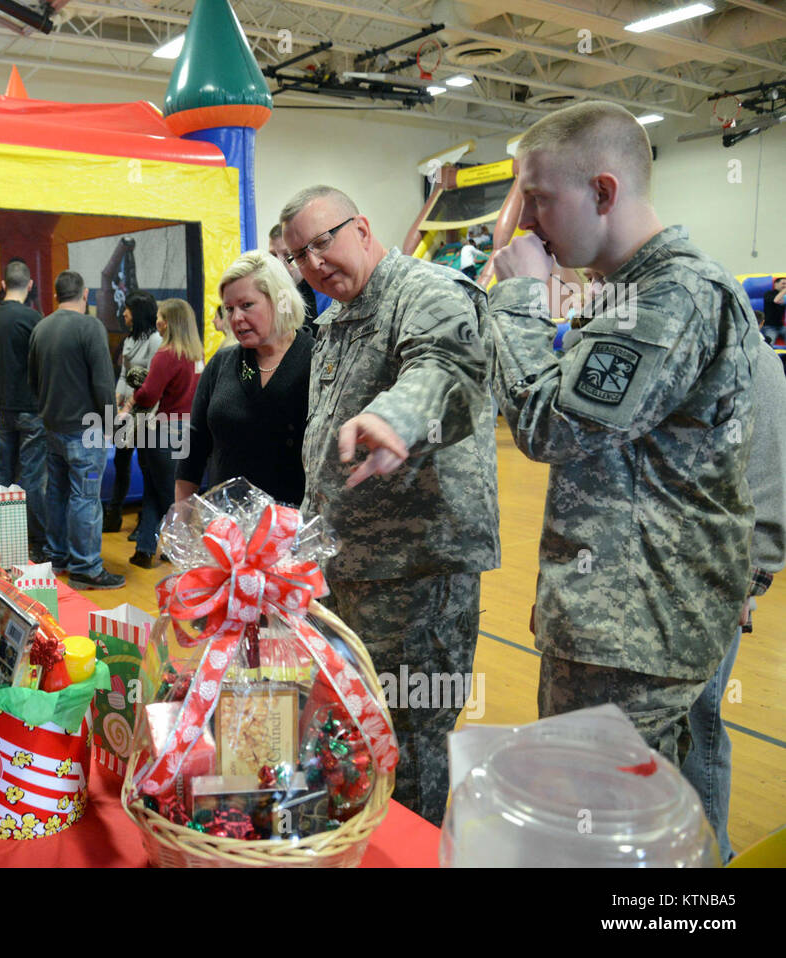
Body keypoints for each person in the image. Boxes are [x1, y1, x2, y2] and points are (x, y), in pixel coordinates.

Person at [487, 101, 758, 770]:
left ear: (603, 192)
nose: (525, 223)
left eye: (540, 200)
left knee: (595, 821)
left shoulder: (671, 296)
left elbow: (552, 426)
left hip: (636, 635)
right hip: (627, 623)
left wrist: (523, 298)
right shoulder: (635, 292)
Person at [280, 185, 499, 826]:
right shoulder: (336, 319)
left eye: (324, 241)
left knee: (411, 747)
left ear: (363, 226)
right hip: (346, 570)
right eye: (299, 255)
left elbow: (444, 368)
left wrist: (394, 417)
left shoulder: (427, 292)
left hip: (416, 574)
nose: (314, 263)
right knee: (354, 733)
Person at [681, 333, 786, 863]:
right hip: (652, 582)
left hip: (712, 580)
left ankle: (710, 860)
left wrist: (747, 576)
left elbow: (767, 477)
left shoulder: (746, 350)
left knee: (698, 729)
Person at [175, 251, 312, 508]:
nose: (236, 318)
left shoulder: (315, 361)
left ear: (279, 300)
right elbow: (194, 447)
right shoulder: (223, 364)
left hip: (292, 534)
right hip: (226, 532)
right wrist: (181, 520)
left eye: (247, 305)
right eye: (229, 309)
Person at [27, 270, 124, 589]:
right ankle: (87, 567)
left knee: (56, 492)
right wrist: (110, 424)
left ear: (57, 295)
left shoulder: (41, 328)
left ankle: (58, 556)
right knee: (85, 496)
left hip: (52, 426)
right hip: (86, 429)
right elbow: (102, 381)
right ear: (85, 295)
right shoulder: (90, 326)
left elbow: (33, 380)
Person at [129, 298, 201, 567]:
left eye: (160, 317)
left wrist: (136, 389)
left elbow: (148, 396)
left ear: (169, 322)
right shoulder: (196, 354)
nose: (157, 321)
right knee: (159, 493)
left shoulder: (165, 354)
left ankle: (177, 550)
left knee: (165, 497)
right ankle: (146, 549)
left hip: (162, 433)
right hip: (188, 431)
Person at [0, 259, 47, 559]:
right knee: (34, 476)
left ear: (3, 284)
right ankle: (36, 542)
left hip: (4, 405)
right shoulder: (32, 319)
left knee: (5, 472)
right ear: (30, 286)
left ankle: (8, 539)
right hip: (32, 407)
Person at [103, 290, 161, 535]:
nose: (123, 313)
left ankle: (146, 520)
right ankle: (114, 514)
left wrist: (129, 408)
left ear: (138, 313)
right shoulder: (129, 340)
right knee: (121, 460)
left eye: (127, 309)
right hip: (126, 410)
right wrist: (116, 403)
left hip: (145, 412)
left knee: (147, 465)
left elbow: (151, 382)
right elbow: (125, 376)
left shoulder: (156, 341)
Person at [269, 222, 319, 328]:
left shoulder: (325, 293)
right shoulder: (274, 295)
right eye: (273, 255)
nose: (279, 264)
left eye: (288, 255)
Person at [762, 276, 785, 346]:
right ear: (775, 284)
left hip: (781, 326)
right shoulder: (768, 294)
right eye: (783, 284)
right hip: (770, 327)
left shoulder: (784, 296)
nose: (785, 286)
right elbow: (776, 300)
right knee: (769, 346)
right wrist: (784, 291)